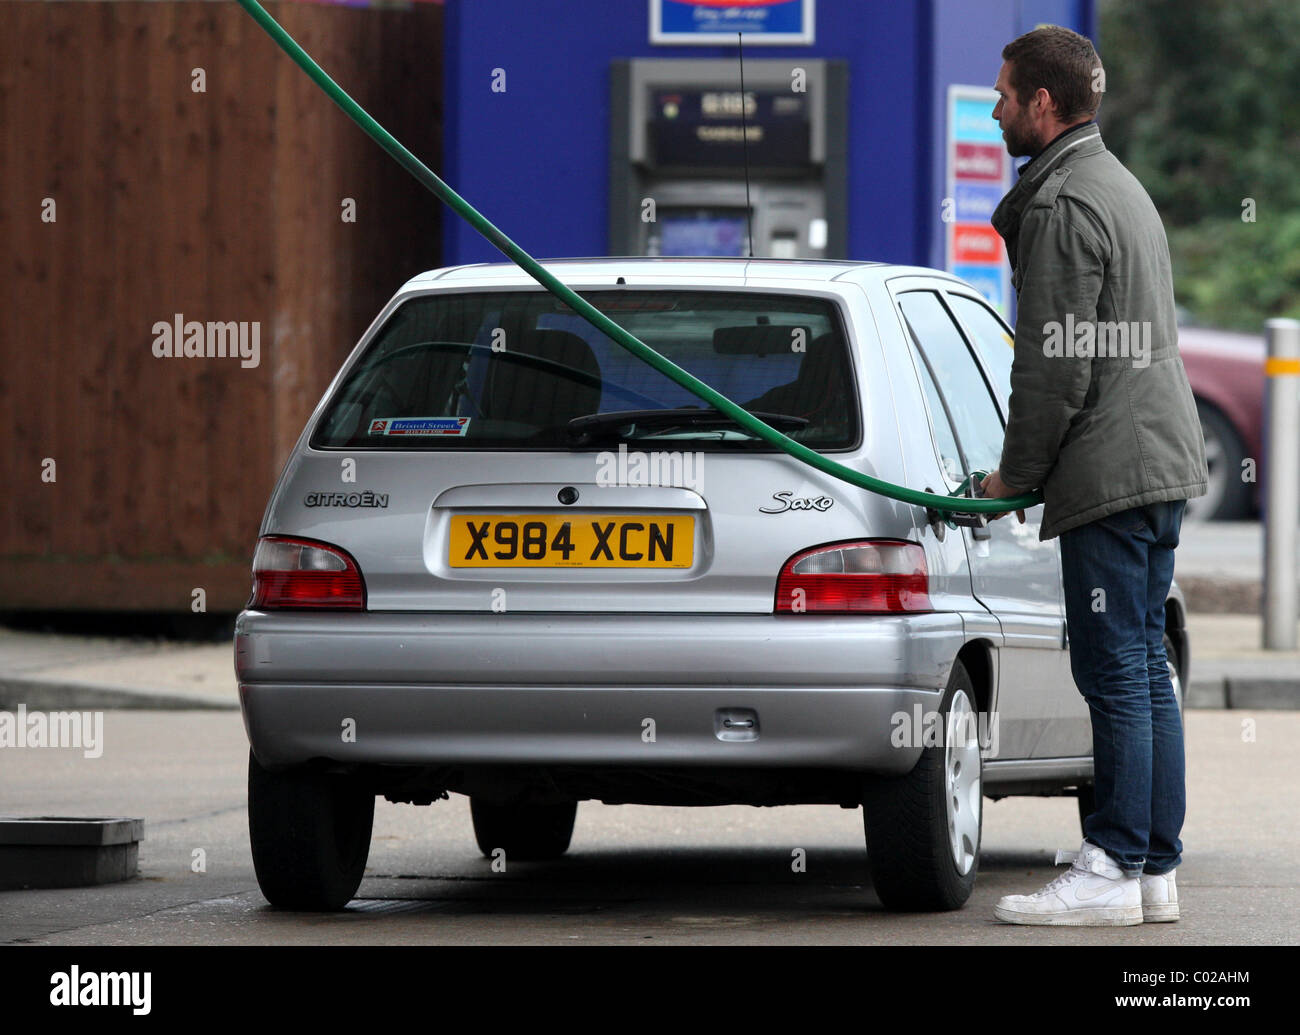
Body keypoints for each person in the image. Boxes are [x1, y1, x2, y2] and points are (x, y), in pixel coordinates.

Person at [976, 25, 1209, 926]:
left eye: (1003, 94)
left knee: (1116, 671)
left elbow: (1053, 366)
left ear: (1043, 102)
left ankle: (1111, 865)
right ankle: (1153, 870)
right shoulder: (1119, 183)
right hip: (1156, 461)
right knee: (1145, 667)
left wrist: (1013, 477)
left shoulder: (1064, 201)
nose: (995, 107)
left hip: (1110, 471)